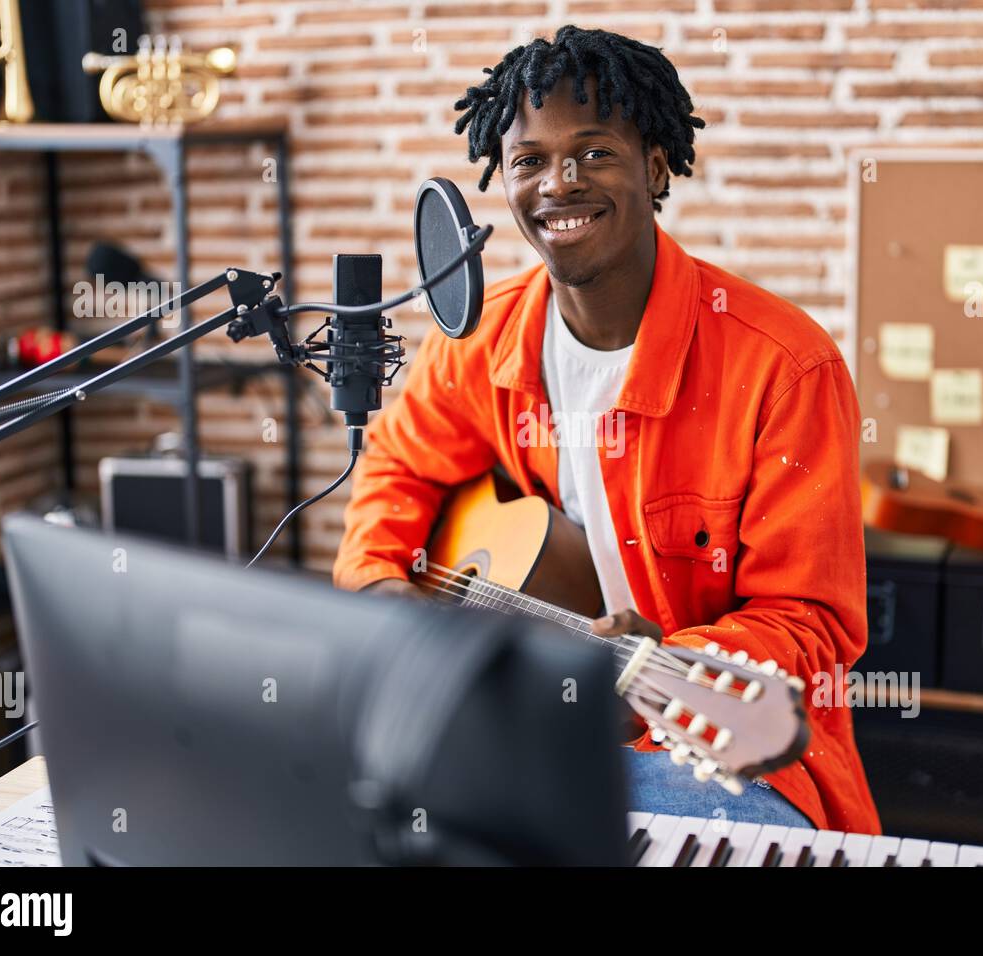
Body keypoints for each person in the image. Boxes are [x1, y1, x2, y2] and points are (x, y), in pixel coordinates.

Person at [333, 25, 880, 835]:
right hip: (531, 725)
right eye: (530, 161)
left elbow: (811, 621)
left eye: (594, 153)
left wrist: (673, 663)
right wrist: (392, 608)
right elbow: (393, 473)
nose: (559, 183)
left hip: (717, 754)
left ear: (656, 167)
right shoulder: (484, 339)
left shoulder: (784, 366)